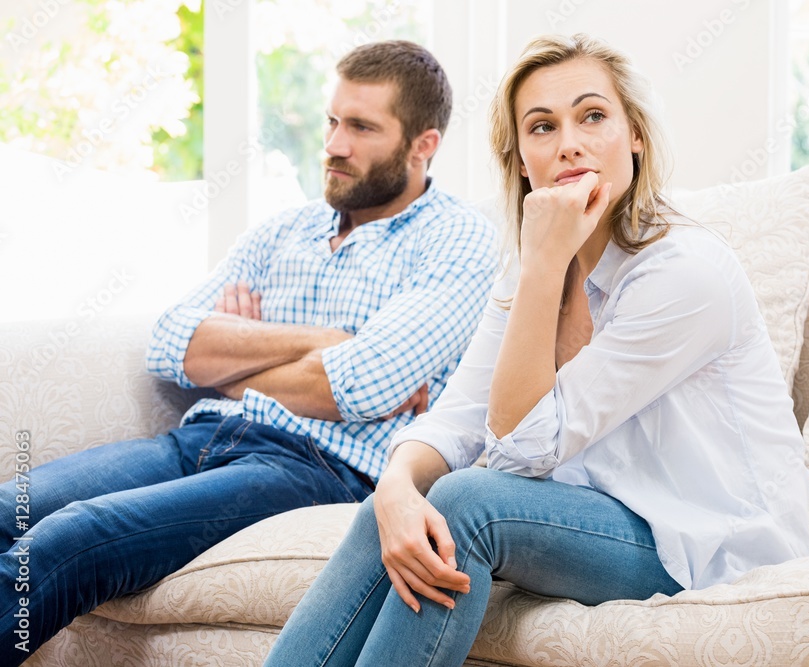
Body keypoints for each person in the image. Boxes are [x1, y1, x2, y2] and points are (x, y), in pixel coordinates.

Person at [263, 33, 809, 667]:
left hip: (704, 539)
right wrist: (392, 487)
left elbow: (519, 449)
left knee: (468, 504)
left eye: (593, 116)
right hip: (601, 509)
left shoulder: (683, 275)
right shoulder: (531, 269)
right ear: (523, 159)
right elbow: (460, 415)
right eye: (542, 127)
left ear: (635, 134)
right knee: (399, 512)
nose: (569, 142)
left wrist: (545, 262)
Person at [0, 40, 497, 664]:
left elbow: (357, 386)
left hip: (315, 469)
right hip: (203, 438)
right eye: (332, 121)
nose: (335, 144)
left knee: (69, 539)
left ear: (424, 144)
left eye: (362, 127)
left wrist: (234, 360)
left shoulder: (459, 239)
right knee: (5, 507)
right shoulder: (280, 232)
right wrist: (329, 343)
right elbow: (168, 343)